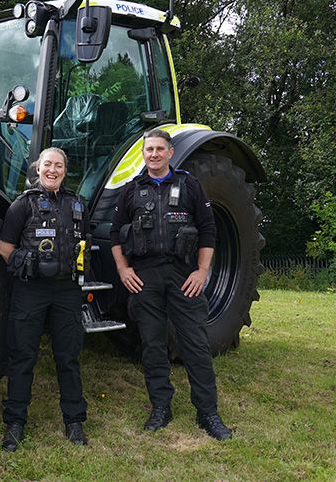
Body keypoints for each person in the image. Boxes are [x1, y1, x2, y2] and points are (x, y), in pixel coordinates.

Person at [109, 129, 233, 441]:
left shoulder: (190, 185)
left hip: (183, 275)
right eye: (148, 149)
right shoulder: (131, 191)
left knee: (195, 344)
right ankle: (160, 407)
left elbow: (207, 230)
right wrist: (124, 270)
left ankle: (208, 413)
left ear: (170, 152)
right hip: (146, 276)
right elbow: (114, 235)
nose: (153, 154)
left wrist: (202, 271)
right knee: (152, 345)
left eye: (159, 149)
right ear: (143, 154)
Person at [0, 147, 89, 451]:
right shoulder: (21, 206)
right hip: (31, 290)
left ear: (65, 170)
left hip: (66, 291)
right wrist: (27, 261)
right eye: (48, 165)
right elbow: (5, 248)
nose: (53, 170)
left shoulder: (77, 204)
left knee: (68, 356)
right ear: (38, 168)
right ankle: (14, 423)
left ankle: (74, 421)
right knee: (22, 356)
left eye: (59, 165)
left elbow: (82, 243)